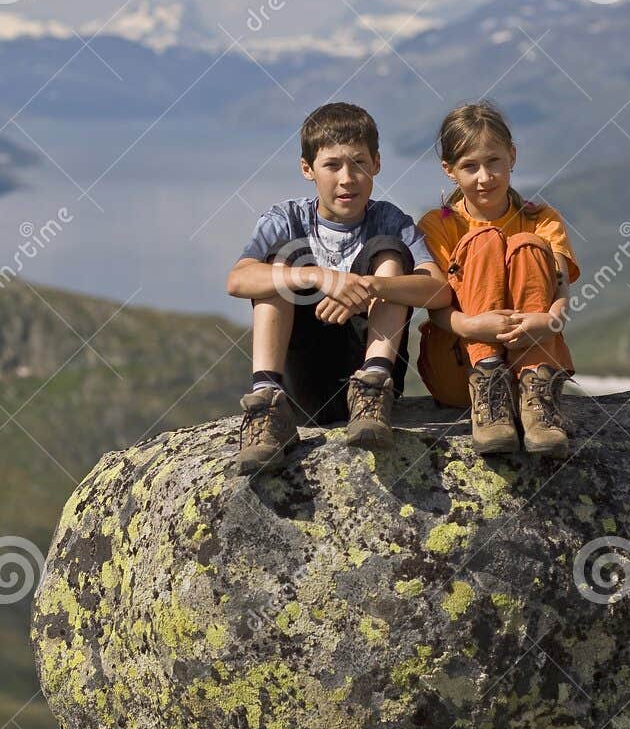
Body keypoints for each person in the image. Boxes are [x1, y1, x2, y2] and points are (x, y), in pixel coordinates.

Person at [226, 103, 452, 474]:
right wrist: (319, 277)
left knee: (389, 251)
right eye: (332, 165)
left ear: (376, 163)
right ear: (307, 169)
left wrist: (372, 285)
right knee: (280, 260)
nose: (348, 178)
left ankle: (372, 383)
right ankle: (267, 403)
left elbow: (439, 290)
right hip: (306, 382)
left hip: (369, 381)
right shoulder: (287, 218)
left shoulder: (390, 220)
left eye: (359, 163)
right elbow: (239, 279)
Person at [415, 101, 580, 457]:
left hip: (531, 357)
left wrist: (550, 320)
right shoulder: (438, 224)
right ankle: (489, 386)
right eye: (469, 166)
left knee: (525, 244)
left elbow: (561, 288)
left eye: (493, 161)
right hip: (459, 366)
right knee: (484, 240)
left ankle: (536, 396)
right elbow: (436, 306)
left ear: (512, 156)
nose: (484, 177)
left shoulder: (541, 218)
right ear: (449, 170)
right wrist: (473, 326)